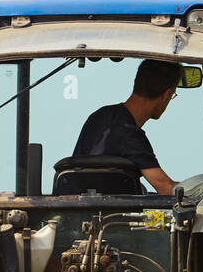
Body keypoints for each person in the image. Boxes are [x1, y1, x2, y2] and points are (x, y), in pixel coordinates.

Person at [71, 60, 180, 195]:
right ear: (166, 95)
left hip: (79, 209)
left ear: (137, 83)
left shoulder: (100, 115)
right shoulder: (129, 134)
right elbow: (166, 188)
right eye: (172, 95)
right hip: (108, 213)